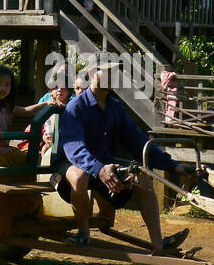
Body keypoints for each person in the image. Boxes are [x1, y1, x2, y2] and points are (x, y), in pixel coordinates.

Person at [57, 65, 193, 250]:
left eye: (114, 73)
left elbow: (136, 140)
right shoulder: (76, 107)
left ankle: (158, 244)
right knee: (79, 176)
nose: (111, 77)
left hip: (101, 163)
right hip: (70, 162)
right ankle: (83, 232)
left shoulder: (115, 107)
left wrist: (172, 165)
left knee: (144, 179)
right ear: (92, 74)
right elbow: (74, 148)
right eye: (106, 72)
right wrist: (99, 169)